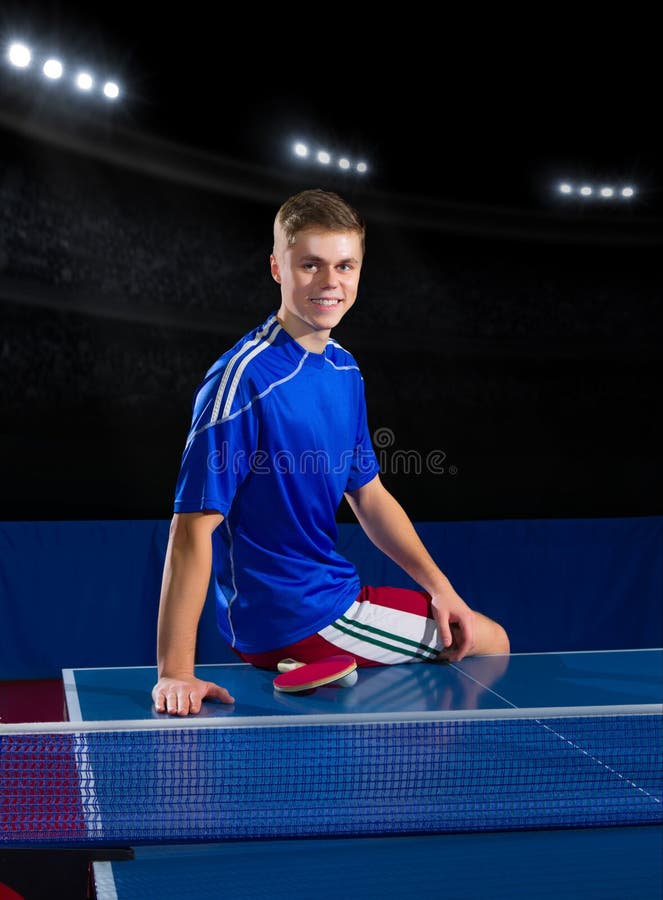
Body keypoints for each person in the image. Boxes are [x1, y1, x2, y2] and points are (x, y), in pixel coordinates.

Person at [152, 188, 509, 716]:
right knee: (490, 640)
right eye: (311, 264)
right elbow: (191, 529)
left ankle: (333, 690)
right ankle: (421, 757)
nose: (330, 282)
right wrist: (176, 673)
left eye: (345, 265)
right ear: (277, 268)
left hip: (318, 600)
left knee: (454, 626)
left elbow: (369, 495)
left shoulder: (345, 370)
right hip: (298, 613)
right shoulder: (243, 378)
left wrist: (441, 588)